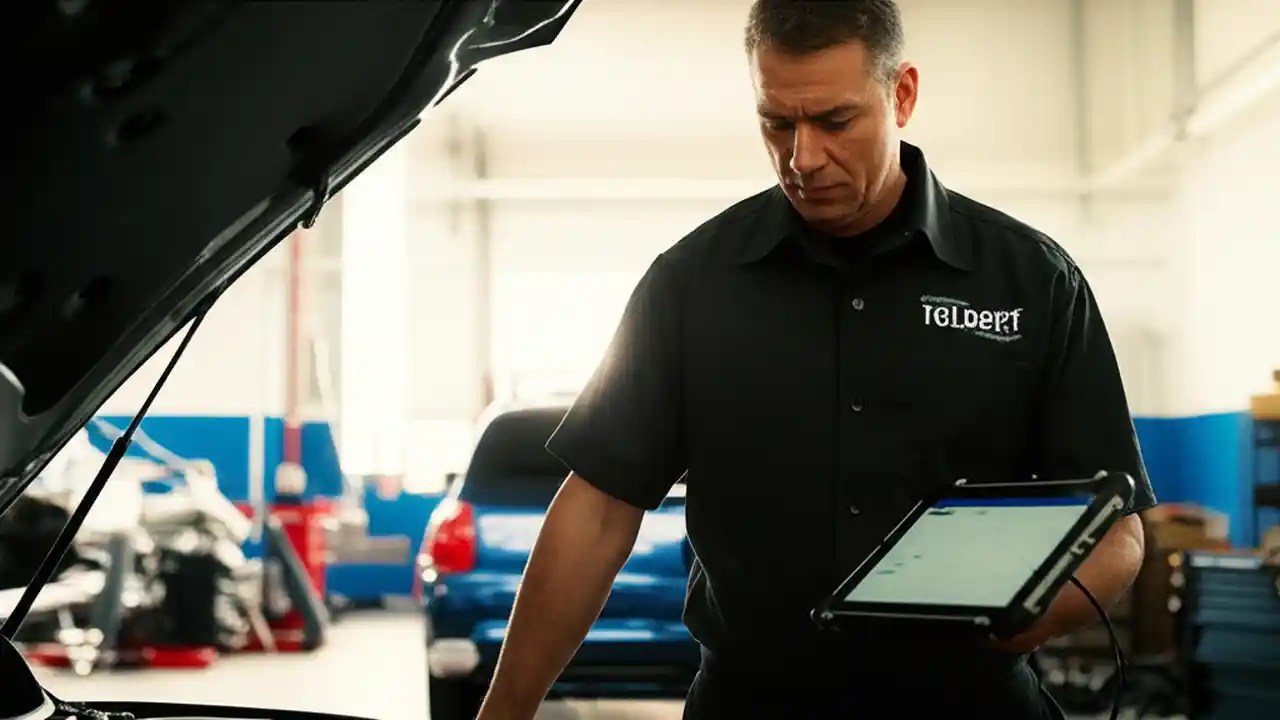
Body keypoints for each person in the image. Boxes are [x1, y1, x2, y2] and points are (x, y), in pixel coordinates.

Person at [476, 1, 1156, 718]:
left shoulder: (1032, 282)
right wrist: (503, 713)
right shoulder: (692, 284)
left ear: (903, 95)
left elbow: (1119, 527)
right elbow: (597, 510)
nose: (802, 158)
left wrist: (1041, 618)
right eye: (776, 123)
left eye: (834, 121)